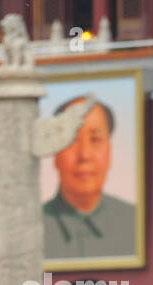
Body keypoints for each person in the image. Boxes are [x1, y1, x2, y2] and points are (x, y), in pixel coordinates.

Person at [42, 98, 136, 261]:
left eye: (95, 139)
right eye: (72, 140)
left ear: (109, 152)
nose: (84, 155)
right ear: (55, 152)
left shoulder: (134, 221)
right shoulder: (30, 228)